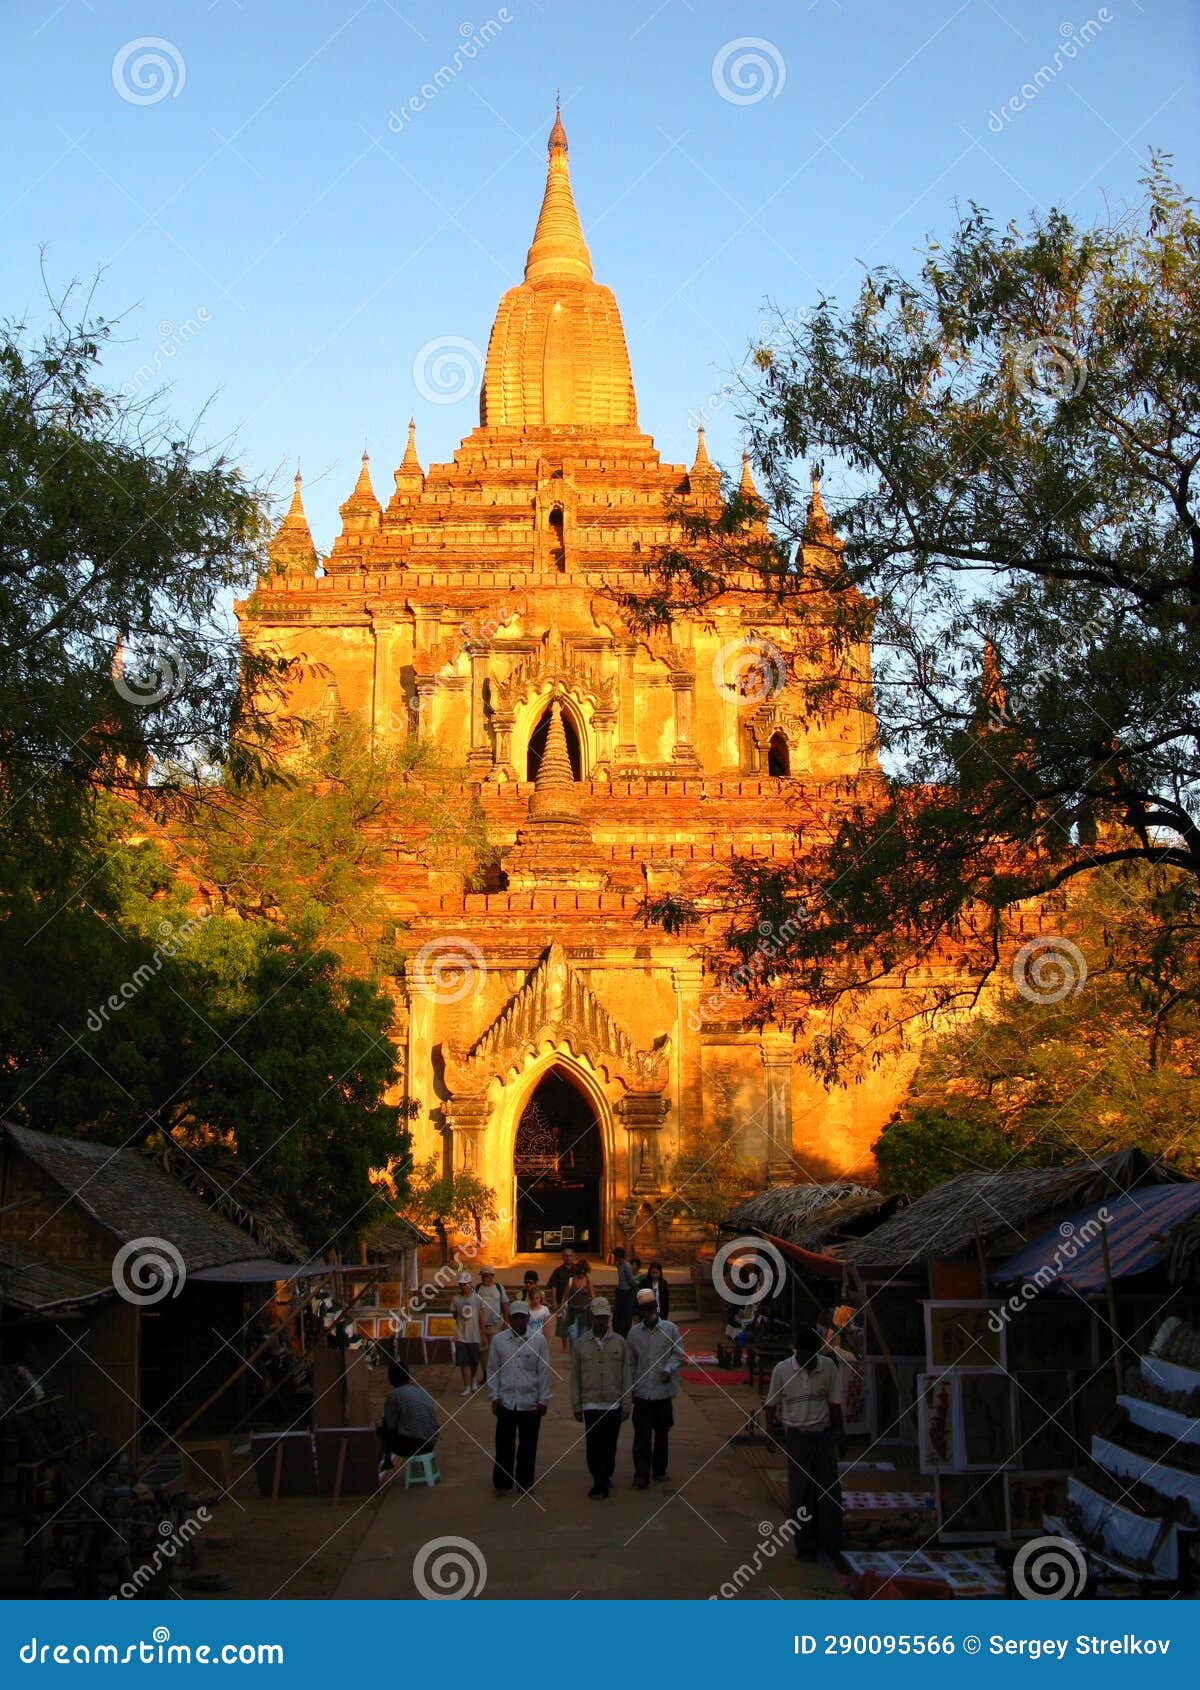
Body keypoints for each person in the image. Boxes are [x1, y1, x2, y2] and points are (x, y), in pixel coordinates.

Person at [764, 1327, 845, 1559]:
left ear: (817, 1353)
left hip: (823, 1435)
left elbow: (834, 1404)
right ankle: (806, 1546)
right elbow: (771, 1405)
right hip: (797, 1438)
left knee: (829, 1491)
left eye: (810, 1357)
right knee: (801, 1494)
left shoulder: (828, 1368)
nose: (806, 1362)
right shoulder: (782, 1370)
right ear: (795, 1351)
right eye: (802, 1357)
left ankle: (831, 1543)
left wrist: (840, 1433)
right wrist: (770, 1433)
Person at [486, 1300, 551, 1497]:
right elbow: (492, 1370)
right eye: (515, 1318)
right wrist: (494, 1396)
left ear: (528, 1319)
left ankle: (525, 1482)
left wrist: (544, 1399)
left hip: (530, 1402)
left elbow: (544, 1371)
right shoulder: (498, 1341)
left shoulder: (538, 1341)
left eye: (522, 1318)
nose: (519, 1322)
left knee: (528, 1445)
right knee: (504, 1444)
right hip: (506, 1401)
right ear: (509, 1319)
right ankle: (502, 1483)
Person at [570, 1296, 630, 1499]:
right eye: (598, 1317)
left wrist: (627, 1403)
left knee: (610, 1446)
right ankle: (599, 1482)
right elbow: (575, 1377)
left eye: (605, 1317)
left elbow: (626, 1375)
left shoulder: (620, 1343)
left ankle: (605, 1474)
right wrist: (576, 1404)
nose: (601, 1321)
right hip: (591, 1403)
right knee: (594, 1446)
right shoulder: (580, 1345)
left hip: (613, 1403)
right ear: (590, 1317)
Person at [625, 1286, 685, 1488]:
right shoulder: (634, 1334)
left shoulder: (670, 1329)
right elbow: (630, 1363)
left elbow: (678, 1353)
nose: (649, 1313)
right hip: (642, 1392)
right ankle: (641, 1473)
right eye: (645, 1309)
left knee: (662, 1433)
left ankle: (659, 1470)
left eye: (651, 1308)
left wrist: (669, 1369)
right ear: (640, 1311)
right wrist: (631, 1387)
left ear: (656, 1308)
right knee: (641, 1435)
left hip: (662, 1391)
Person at [379, 1362, 439, 1467]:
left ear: (390, 1378)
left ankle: (387, 1461)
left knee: (384, 1428)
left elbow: (390, 1425)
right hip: (431, 1441)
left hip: (415, 1444)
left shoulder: (394, 1395)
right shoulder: (421, 1391)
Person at [451, 1271, 484, 1394]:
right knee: (463, 1362)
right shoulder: (456, 1299)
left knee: (474, 1361)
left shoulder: (477, 1298)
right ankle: (467, 1386)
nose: (463, 1287)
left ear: (470, 1284)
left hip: (474, 1334)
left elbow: (481, 1316)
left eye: (465, 1284)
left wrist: (483, 1334)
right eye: (461, 1284)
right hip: (461, 1334)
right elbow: (454, 1315)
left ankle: (473, 1377)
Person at [476, 1266, 509, 1374]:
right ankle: (486, 1373)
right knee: (483, 1351)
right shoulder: (477, 1289)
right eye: (483, 1276)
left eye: (486, 1275)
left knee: (497, 1350)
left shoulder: (499, 1288)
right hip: (481, 1326)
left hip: (496, 1324)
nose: (484, 1278)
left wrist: (506, 1321)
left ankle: (497, 1372)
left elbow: (505, 1304)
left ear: (492, 1276)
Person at [558, 1261, 593, 1351]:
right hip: (572, 1313)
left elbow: (593, 1297)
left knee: (582, 1337)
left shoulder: (588, 1281)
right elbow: (564, 1297)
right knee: (573, 1336)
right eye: (579, 1272)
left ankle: (578, 1358)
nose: (581, 1274)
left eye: (583, 1272)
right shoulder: (571, 1281)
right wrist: (562, 1310)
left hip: (584, 1314)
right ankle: (574, 1357)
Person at [612, 1246, 636, 1337]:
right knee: (618, 1314)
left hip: (626, 1292)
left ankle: (625, 1333)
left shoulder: (626, 1266)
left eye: (615, 1256)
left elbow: (630, 1279)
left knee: (626, 1314)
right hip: (620, 1291)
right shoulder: (619, 1265)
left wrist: (635, 1285)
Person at [545, 1246, 576, 1312]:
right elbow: (553, 1286)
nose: (568, 1258)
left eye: (570, 1256)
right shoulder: (557, 1271)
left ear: (573, 1256)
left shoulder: (578, 1270)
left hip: (575, 1302)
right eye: (566, 1256)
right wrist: (554, 1302)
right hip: (561, 1302)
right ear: (563, 1257)